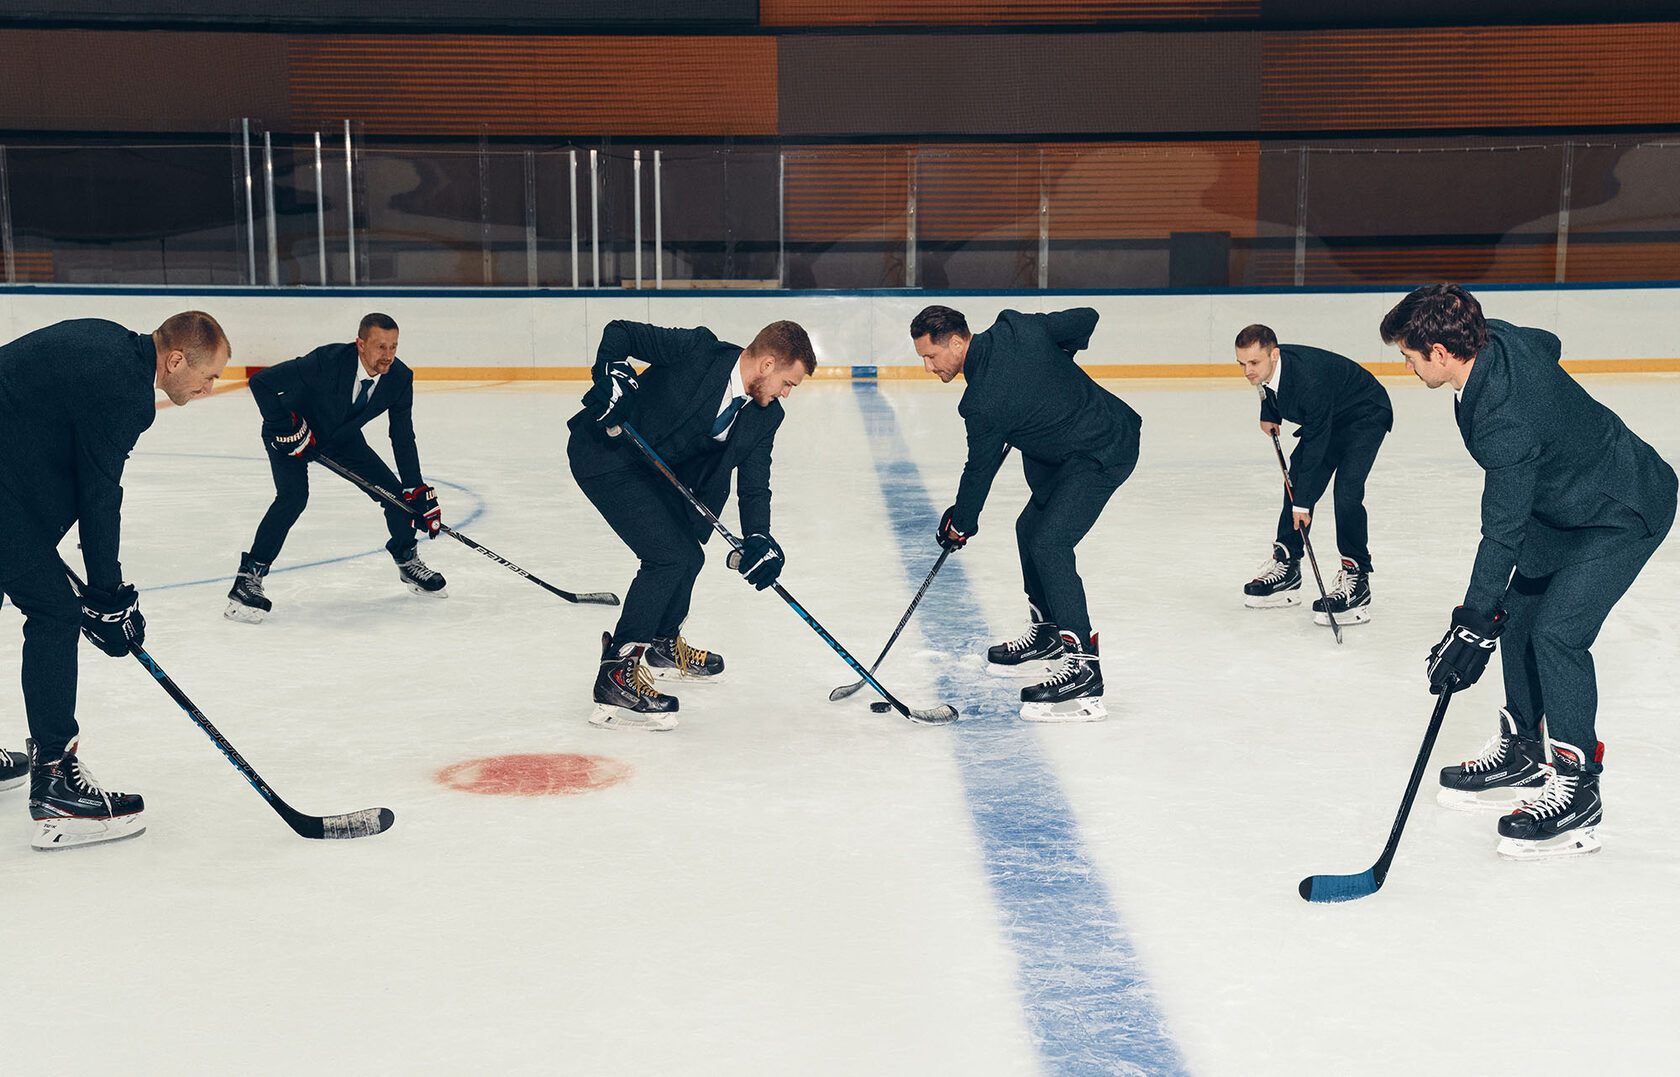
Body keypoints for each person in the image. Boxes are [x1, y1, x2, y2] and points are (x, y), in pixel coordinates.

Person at [1382, 284, 1676, 860]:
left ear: (1442, 351)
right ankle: (1522, 749)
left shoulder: (1504, 423)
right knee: (1516, 619)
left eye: (1411, 356)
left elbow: (1502, 530)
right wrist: (1490, 619)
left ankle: (1576, 788)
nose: (1407, 365)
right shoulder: (1499, 338)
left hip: (1621, 509)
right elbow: (1550, 342)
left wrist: (1469, 624)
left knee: (1558, 633)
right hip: (1562, 502)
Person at [0, 311, 230, 849]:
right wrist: (106, 595)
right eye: (209, 374)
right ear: (175, 360)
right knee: (56, 609)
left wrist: (106, 594)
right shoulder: (124, 390)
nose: (209, 387)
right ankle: (57, 786)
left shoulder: (107, 340)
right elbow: (99, 496)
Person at [568, 319, 816, 731]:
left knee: (690, 557)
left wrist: (759, 537)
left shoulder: (765, 416)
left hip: (661, 476)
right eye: (788, 383)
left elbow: (755, 485)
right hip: (608, 455)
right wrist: (612, 371)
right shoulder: (697, 351)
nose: (786, 394)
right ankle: (615, 676)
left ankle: (662, 644)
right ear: (768, 364)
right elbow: (619, 333)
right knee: (669, 558)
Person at [912, 304, 1141, 722]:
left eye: (931, 356)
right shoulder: (1018, 328)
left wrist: (960, 523)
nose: (928, 367)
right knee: (1028, 528)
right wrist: (1052, 359)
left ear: (958, 342)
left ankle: (1084, 668)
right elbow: (1086, 318)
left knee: (1050, 543)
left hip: (1105, 446)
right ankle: (1048, 632)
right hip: (1067, 454)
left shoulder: (982, 403)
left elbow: (978, 470)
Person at [226, 313, 446, 622]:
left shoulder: (399, 378)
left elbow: (402, 435)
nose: (387, 355)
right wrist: (284, 426)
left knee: (397, 497)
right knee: (293, 498)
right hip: (292, 432)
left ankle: (407, 560)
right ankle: (248, 580)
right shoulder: (326, 361)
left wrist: (415, 487)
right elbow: (260, 383)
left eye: (393, 347)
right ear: (360, 344)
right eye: (380, 346)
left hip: (341, 438)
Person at [1235, 324, 1393, 624]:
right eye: (1241, 364)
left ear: (1274, 354)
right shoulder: (1268, 368)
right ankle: (1288, 566)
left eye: (1253, 363)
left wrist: (1303, 503)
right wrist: (1269, 412)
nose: (1247, 371)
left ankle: (1356, 576)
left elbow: (1318, 444)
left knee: (1346, 491)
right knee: (1296, 481)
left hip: (1365, 414)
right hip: (1329, 414)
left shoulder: (1310, 380)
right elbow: (1265, 386)